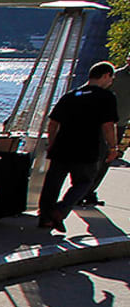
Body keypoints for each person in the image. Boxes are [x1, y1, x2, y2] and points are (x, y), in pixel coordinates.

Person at [37, 62, 120, 232]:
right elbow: (108, 125)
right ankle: (60, 210)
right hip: (87, 148)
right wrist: (113, 148)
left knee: (52, 183)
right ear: (105, 75)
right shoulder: (106, 97)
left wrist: (52, 143)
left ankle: (45, 217)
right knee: (83, 182)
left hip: (62, 146)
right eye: (111, 77)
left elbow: (53, 123)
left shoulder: (71, 95)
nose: (111, 81)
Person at [82, 56, 130, 206]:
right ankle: (81, 190)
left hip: (120, 124)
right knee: (93, 159)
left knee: (106, 160)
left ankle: (89, 191)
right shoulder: (115, 77)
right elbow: (89, 89)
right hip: (101, 124)